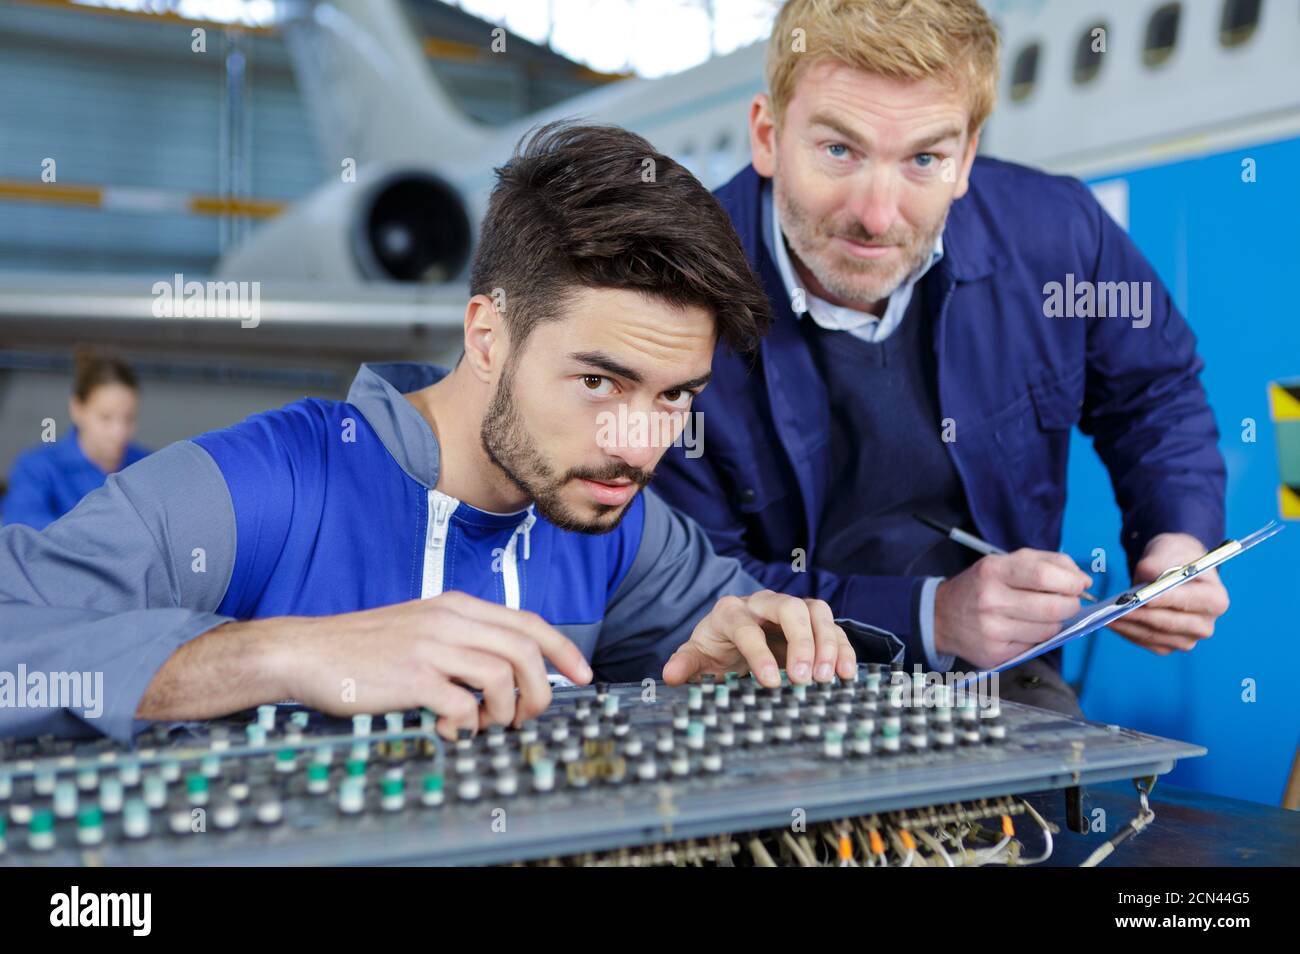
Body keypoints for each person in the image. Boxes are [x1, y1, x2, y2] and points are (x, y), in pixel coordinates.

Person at [0, 122, 899, 746]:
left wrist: (744, 659)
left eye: (676, 397)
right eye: (598, 381)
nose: (638, 443)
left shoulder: (622, 526)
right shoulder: (259, 489)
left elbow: (732, 640)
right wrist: (280, 652)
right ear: (486, 335)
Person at [654, 0, 1229, 716]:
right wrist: (932, 615)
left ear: (966, 157)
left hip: (999, 678)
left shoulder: (1059, 235)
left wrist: (1177, 536)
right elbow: (680, 584)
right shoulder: (668, 302)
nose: (877, 214)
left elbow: (1155, 394)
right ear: (768, 136)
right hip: (756, 684)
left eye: (924, 158)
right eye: (840, 150)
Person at [2, 347, 149, 530]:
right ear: (77, 409)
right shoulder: (37, 469)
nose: (119, 432)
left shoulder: (148, 467)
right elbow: (23, 536)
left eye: (129, 418)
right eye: (105, 417)